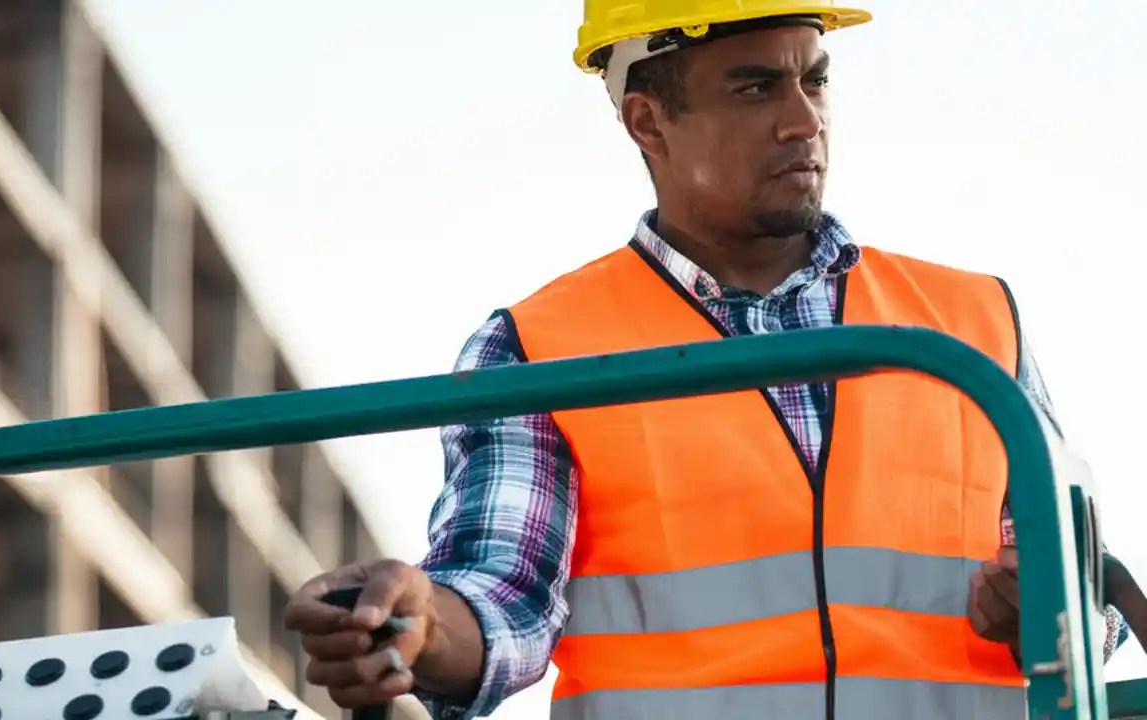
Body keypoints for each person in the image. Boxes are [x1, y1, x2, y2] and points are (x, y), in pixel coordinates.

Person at [283, 2, 1136, 717]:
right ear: (647, 120)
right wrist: (417, 622)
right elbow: (502, 600)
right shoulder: (538, 347)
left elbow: (1084, 602)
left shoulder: (975, 321)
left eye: (814, 79)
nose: (804, 120)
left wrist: (1050, 608)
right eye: (756, 87)